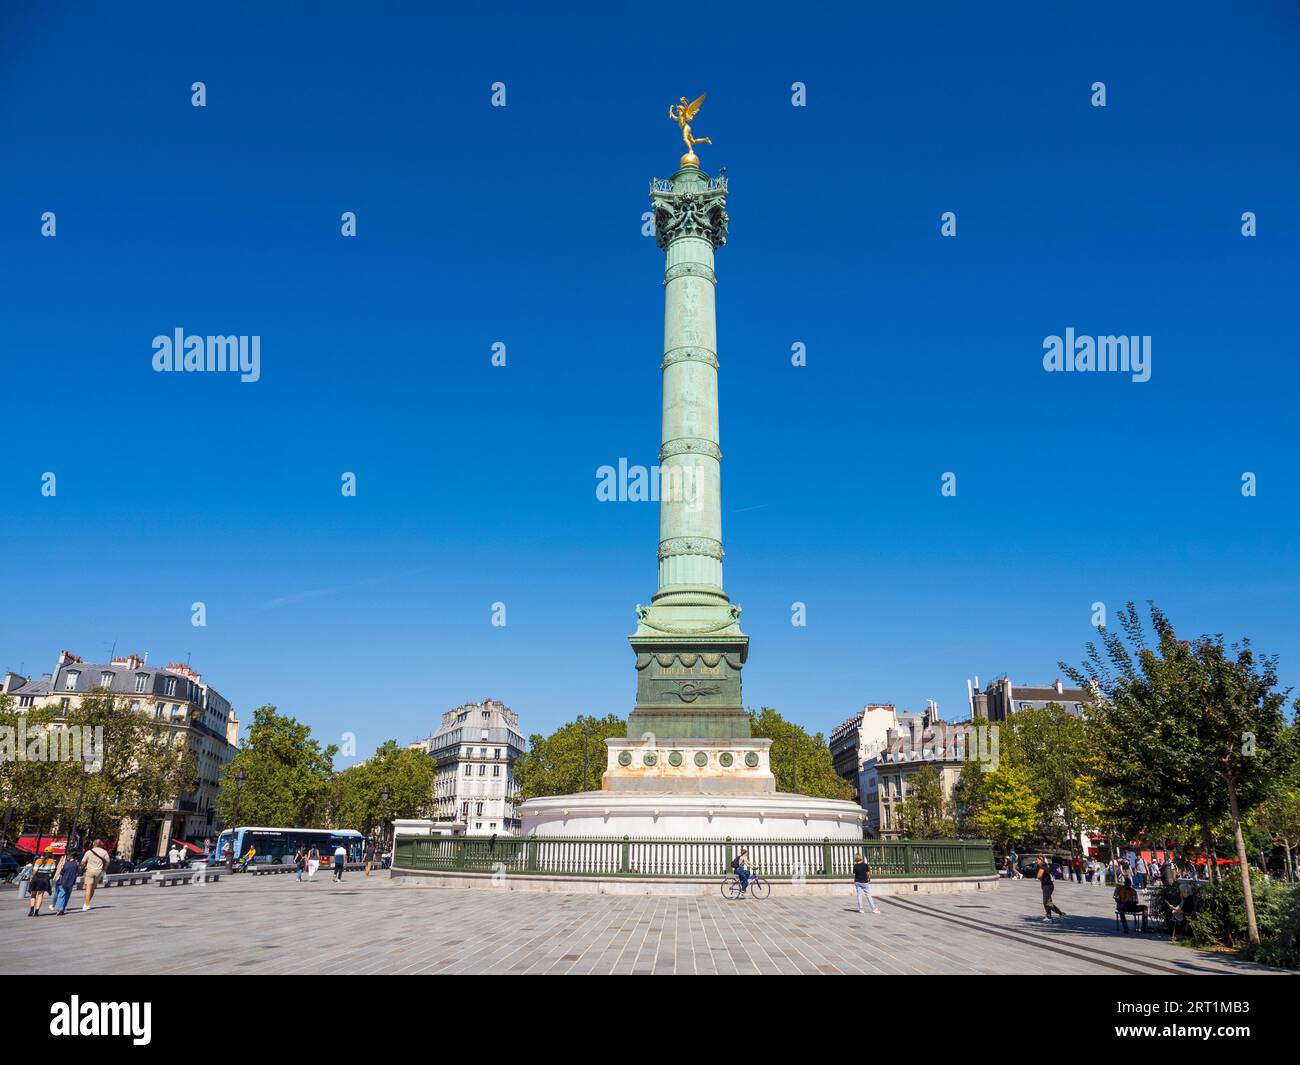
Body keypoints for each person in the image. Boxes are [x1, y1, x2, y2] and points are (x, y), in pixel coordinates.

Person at [80, 840, 111, 912]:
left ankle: (86, 904)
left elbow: (83, 862)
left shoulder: (89, 852)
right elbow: (108, 861)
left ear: (93, 844)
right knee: (93, 888)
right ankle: (87, 903)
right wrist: (104, 868)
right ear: (100, 844)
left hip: (90, 871)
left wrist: (83, 867)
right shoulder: (104, 852)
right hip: (98, 872)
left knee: (88, 888)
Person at [27, 847, 56, 916]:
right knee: (40, 895)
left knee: (33, 894)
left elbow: (34, 870)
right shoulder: (52, 861)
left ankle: (31, 911)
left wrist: (31, 877)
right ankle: (36, 912)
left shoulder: (38, 860)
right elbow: (52, 870)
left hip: (36, 877)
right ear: (51, 853)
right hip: (44, 878)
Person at [1036, 855, 1065, 921]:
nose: (1036, 860)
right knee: (1047, 901)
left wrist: (1041, 878)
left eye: (1037, 859)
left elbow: (1038, 876)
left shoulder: (1042, 866)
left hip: (1047, 886)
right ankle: (1049, 915)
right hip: (1049, 885)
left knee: (1046, 902)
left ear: (1041, 860)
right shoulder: (1045, 865)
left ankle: (1059, 913)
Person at [53, 851, 81, 915]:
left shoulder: (66, 863)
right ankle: (63, 908)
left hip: (63, 881)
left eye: (67, 856)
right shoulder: (76, 864)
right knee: (67, 896)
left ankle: (61, 909)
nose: (67, 857)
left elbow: (62, 872)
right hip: (71, 882)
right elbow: (80, 872)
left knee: (62, 895)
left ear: (71, 856)